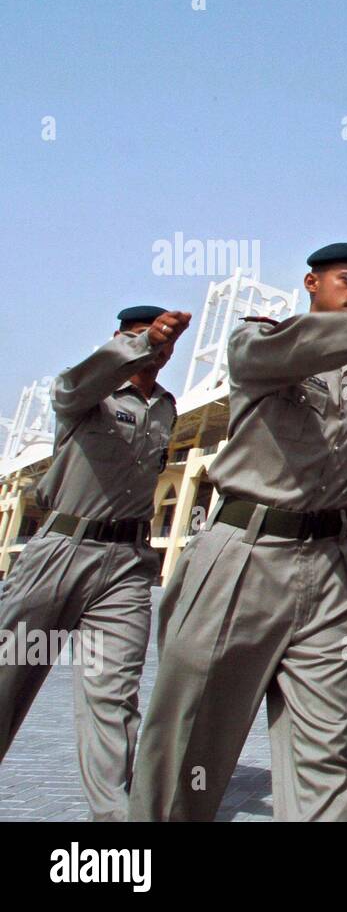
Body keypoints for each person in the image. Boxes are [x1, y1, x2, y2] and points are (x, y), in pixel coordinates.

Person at [130, 243, 347, 821]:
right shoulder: (261, 343)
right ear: (311, 283)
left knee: (326, 751)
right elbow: (292, 349)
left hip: (329, 569)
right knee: (194, 743)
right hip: (246, 557)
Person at [0, 305, 187, 821]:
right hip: (58, 557)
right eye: (139, 338)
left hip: (126, 567)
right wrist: (138, 342)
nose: (154, 346)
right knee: (9, 679)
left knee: (115, 699)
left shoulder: (168, 407)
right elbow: (67, 387)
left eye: (161, 340)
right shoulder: (86, 394)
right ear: (119, 341)